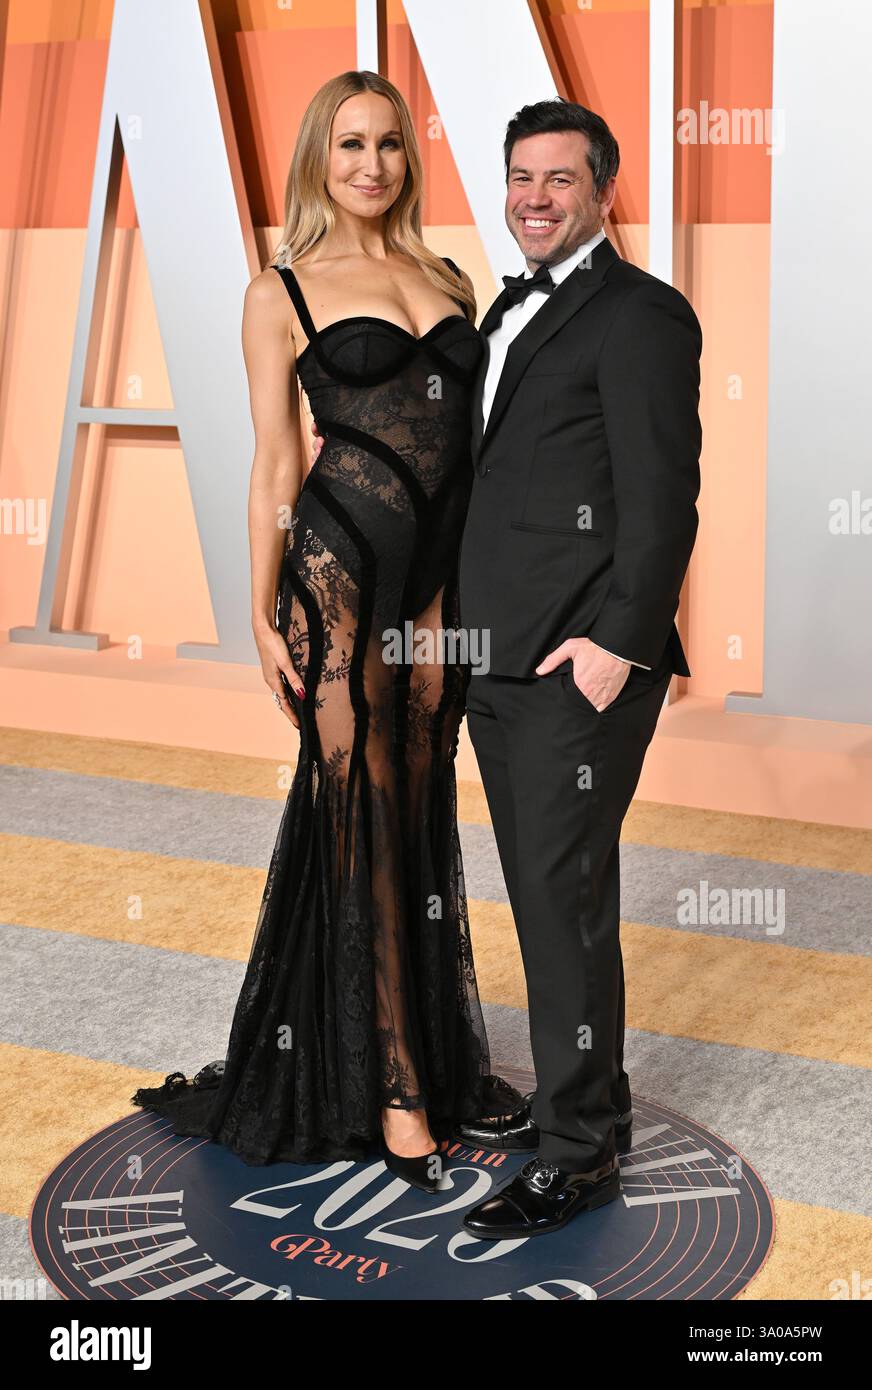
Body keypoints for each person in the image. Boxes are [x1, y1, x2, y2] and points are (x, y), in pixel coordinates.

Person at [130, 70, 521, 1190]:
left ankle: (417, 1057)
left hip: (435, 586)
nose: (372, 164)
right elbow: (274, 467)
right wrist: (257, 612)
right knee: (360, 810)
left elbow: (469, 455)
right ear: (318, 157)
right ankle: (396, 1087)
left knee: (419, 811)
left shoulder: (447, 273)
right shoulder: (280, 288)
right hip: (336, 576)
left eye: (390, 144)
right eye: (350, 144)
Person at [453, 99, 702, 1238]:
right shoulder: (503, 309)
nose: (534, 198)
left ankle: (578, 1152)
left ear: (601, 188)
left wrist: (616, 647)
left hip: (577, 666)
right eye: (519, 178)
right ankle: (584, 1101)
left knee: (561, 904)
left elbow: (661, 504)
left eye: (558, 178)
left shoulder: (642, 316)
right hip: (495, 661)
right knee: (551, 897)